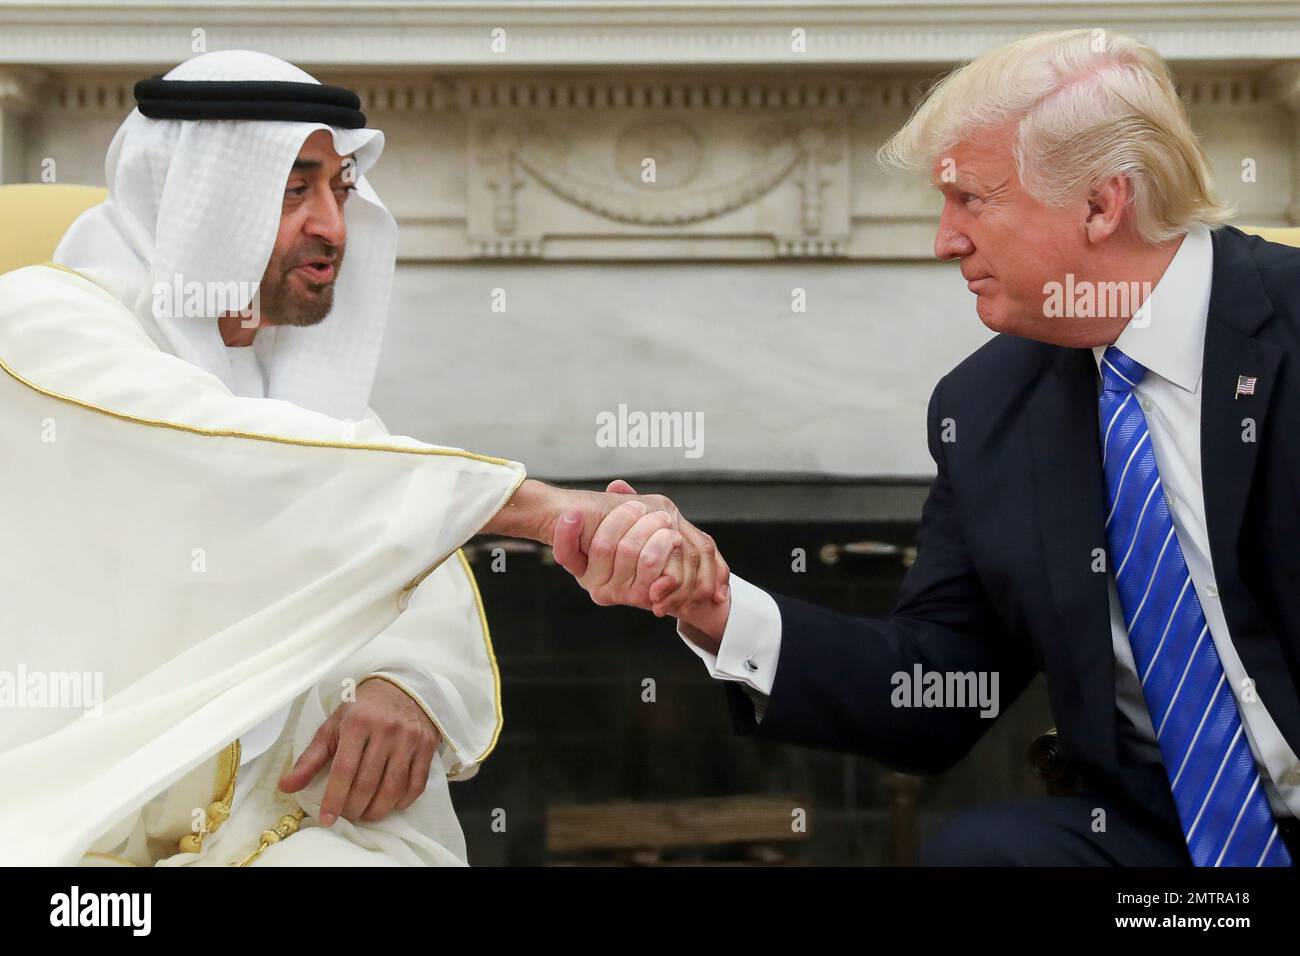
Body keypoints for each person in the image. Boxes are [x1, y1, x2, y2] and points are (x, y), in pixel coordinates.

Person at [556, 29, 1300, 867]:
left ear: (1102, 203)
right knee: (984, 854)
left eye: (973, 200)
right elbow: (932, 687)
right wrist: (714, 602)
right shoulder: (988, 411)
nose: (944, 241)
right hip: (1163, 848)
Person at [0, 50, 723, 866]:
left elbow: (416, 558)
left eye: (341, 190)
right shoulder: (40, 324)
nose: (333, 228)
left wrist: (403, 682)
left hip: (261, 822)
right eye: (293, 189)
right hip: (78, 813)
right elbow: (232, 463)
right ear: (196, 197)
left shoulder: (297, 402)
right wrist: (550, 511)